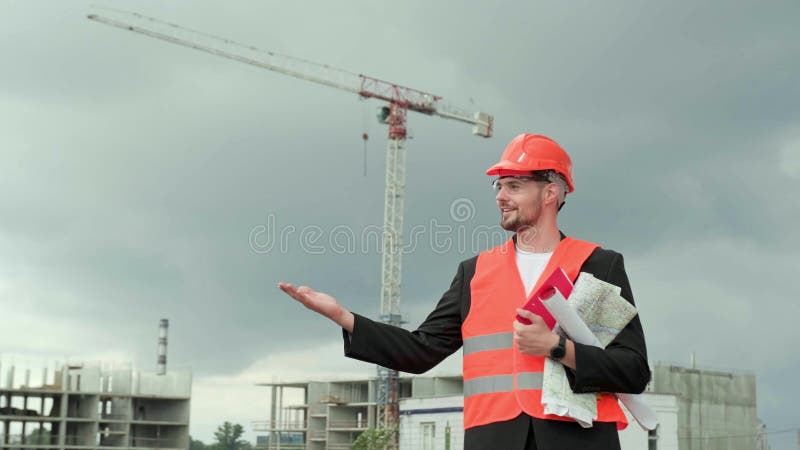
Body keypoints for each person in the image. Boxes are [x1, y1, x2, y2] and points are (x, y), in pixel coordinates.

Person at [278, 133, 650, 450]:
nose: (501, 196)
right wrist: (343, 317)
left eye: (514, 186)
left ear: (551, 192)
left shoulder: (595, 265)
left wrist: (557, 348)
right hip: (492, 437)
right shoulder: (475, 273)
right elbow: (421, 350)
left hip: (577, 439)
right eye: (498, 186)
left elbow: (632, 371)